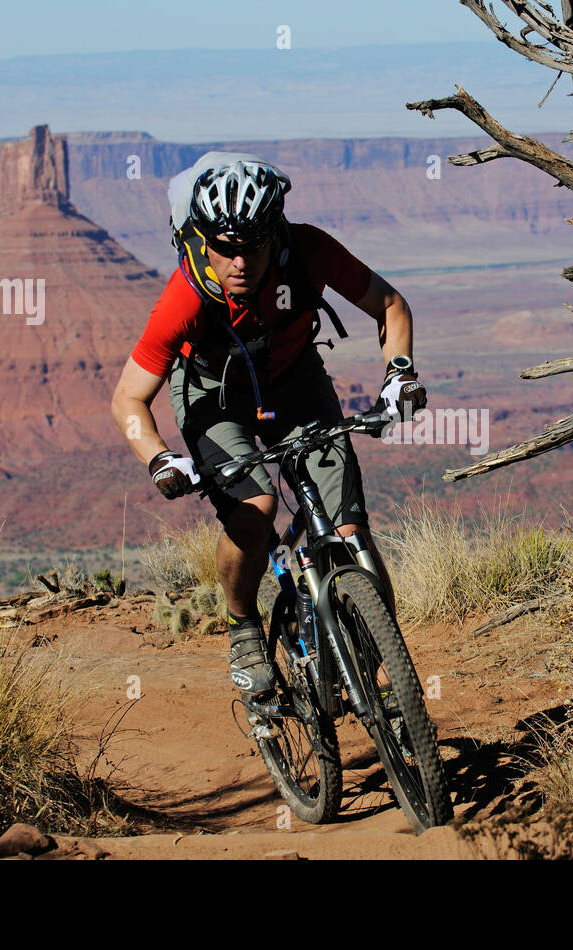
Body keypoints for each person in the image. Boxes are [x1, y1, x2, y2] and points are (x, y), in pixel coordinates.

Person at [110, 152, 425, 706]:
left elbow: (390, 305)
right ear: (202, 240)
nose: (238, 261)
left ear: (273, 233)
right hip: (213, 394)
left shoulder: (309, 251)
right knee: (255, 511)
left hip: (292, 377)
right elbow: (129, 398)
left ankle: (383, 673)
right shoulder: (185, 297)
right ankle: (243, 627)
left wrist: (399, 375)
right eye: (224, 247)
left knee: (351, 533)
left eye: (251, 245)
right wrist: (159, 458)